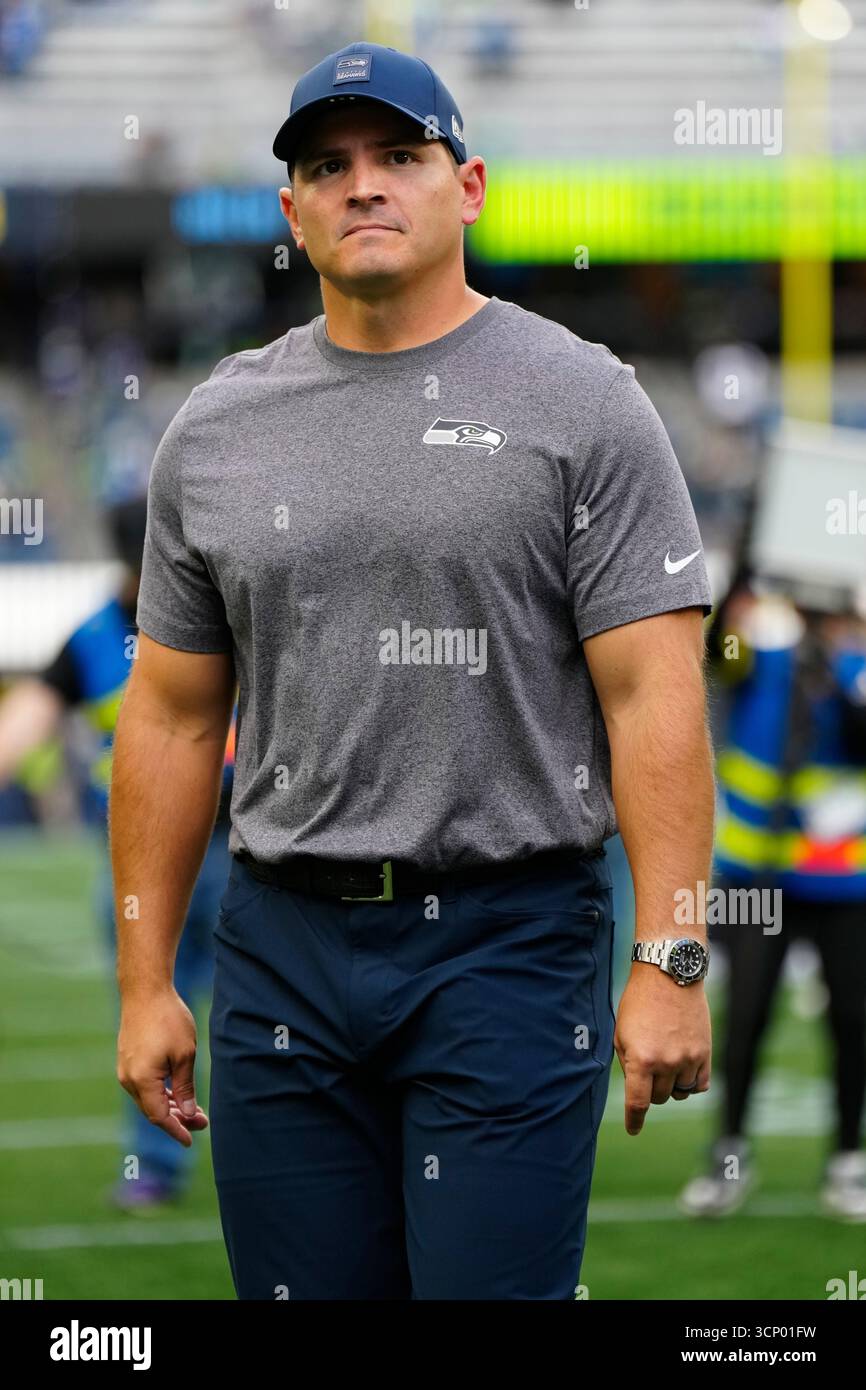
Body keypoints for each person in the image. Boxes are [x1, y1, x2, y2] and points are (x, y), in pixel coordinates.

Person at [111, 41, 716, 1300]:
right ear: (291, 212)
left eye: (399, 155)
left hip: (507, 938)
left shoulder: (582, 400)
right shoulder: (215, 428)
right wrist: (144, 977)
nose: (362, 185)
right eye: (327, 166)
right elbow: (169, 717)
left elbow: (652, 693)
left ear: (470, 185)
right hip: (280, 943)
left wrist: (672, 956)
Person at [0, 496, 235, 1210]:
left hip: (242, 854)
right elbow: (24, 725)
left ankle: (259, 1169)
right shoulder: (97, 636)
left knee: (264, 1023)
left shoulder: (229, 617)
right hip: (147, 864)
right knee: (149, 1016)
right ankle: (159, 1167)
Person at [680, 585, 866, 1220]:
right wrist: (743, 578)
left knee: (853, 1024)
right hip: (757, 883)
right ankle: (728, 1156)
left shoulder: (855, 669)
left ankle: (847, 1161)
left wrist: (837, 679)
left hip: (845, 886)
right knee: (745, 1021)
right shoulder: (755, 656)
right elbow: (711, 651)